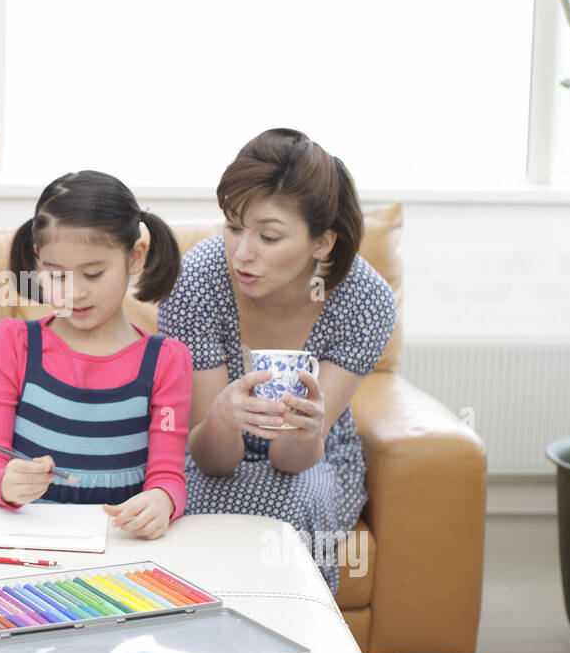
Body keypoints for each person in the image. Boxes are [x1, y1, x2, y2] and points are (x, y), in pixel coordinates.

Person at [156, 127, 396, 593]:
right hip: (210, 452)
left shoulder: (365, 300)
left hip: (312, 460)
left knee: (294, 506)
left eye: (268, 236)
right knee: (198, 505)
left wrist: (305, 428)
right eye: (232, 227)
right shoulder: (198, 281)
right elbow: (210, 458)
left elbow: (294, 461)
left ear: (322, 243)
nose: (242, 254)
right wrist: (223, 419)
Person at [0, 171, 191, 540]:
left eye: (92, 274)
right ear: (38, 260)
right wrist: (5, 483)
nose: (74, 292)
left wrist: (161, 501)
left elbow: (169, 477)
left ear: (135, 257)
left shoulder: (166, 360)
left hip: (121, 544)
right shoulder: (14, 343)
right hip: (29, 541)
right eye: (56, 276)